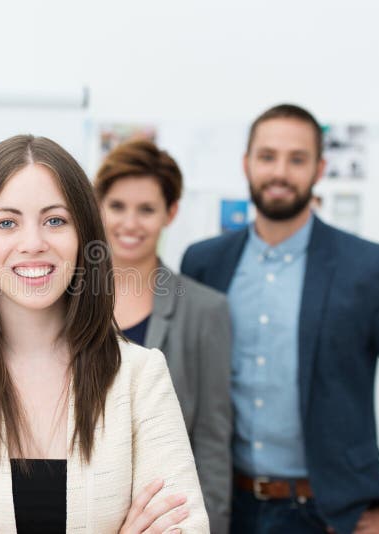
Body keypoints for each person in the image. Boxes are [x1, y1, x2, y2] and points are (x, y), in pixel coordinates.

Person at [0, 134, 209, 533]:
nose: (33, 243)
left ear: (84, 237)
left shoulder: (140, 376)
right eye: (7, 222)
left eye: (55, 220)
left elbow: (184, 526)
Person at [181, 104, 379, 534]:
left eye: (296, 159)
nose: (280, 172)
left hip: (328, 515)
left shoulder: (368, 269)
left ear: (319, 168)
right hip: (223, 507)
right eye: (267, 156)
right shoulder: (205, 263)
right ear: (246, 163)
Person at [94, 139, 232, 533]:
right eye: (117, 206)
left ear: (170, 213)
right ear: (98, 206)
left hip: (167, 518)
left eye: (146, 209)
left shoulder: (205, 310)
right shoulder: (63, 300)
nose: (130, 223)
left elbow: (212, 441)